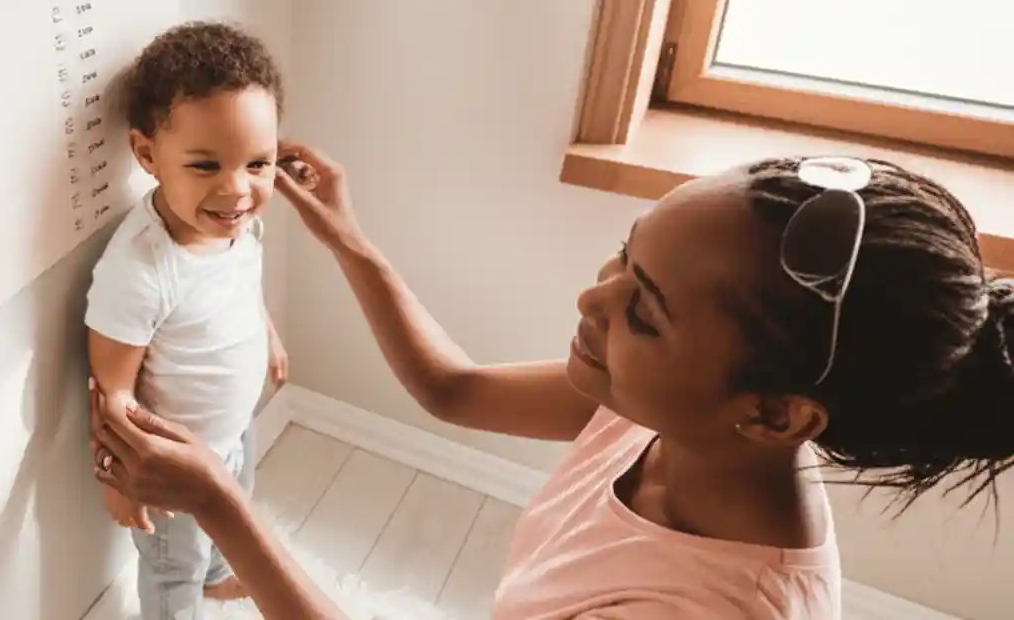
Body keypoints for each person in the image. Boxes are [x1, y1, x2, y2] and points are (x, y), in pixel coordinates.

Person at [91, 142, 1014, 619]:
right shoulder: (673, 418)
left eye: (643, 308)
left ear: (774, 411)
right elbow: (450, 387)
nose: (593, 295)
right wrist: (344, 233)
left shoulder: (705, 609)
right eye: (623, 253)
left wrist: (223, 503)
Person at [84, 21, 290, 620]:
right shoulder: (142, 268)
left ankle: (221, 575)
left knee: (237, 503)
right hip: (173, 462)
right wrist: (121, 478)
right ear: (148, 154)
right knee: (174, 568)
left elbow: (241, 289)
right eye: (205, 166)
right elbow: (112, 391)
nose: (237, 190)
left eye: (258, 163)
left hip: (234, 428)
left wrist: (268, 333)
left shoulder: (240, 225)